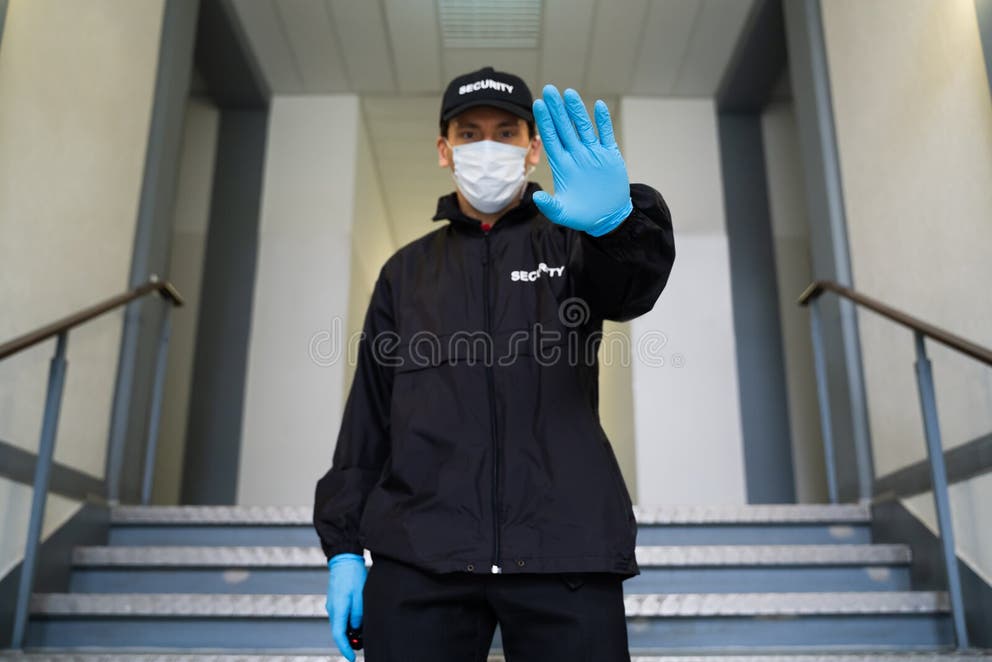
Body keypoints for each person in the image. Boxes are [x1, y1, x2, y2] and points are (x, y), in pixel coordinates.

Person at [313, 65, 676, 662]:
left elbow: (631, 291)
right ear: (443, 149)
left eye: (506, 132)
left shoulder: (574, 247)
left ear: (533, 148)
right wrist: (346, 548)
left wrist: (618, 227)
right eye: (469, 132)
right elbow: (369, 420)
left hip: (563, 544)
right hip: (421, 551)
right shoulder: (404, 273)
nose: (488, 146)